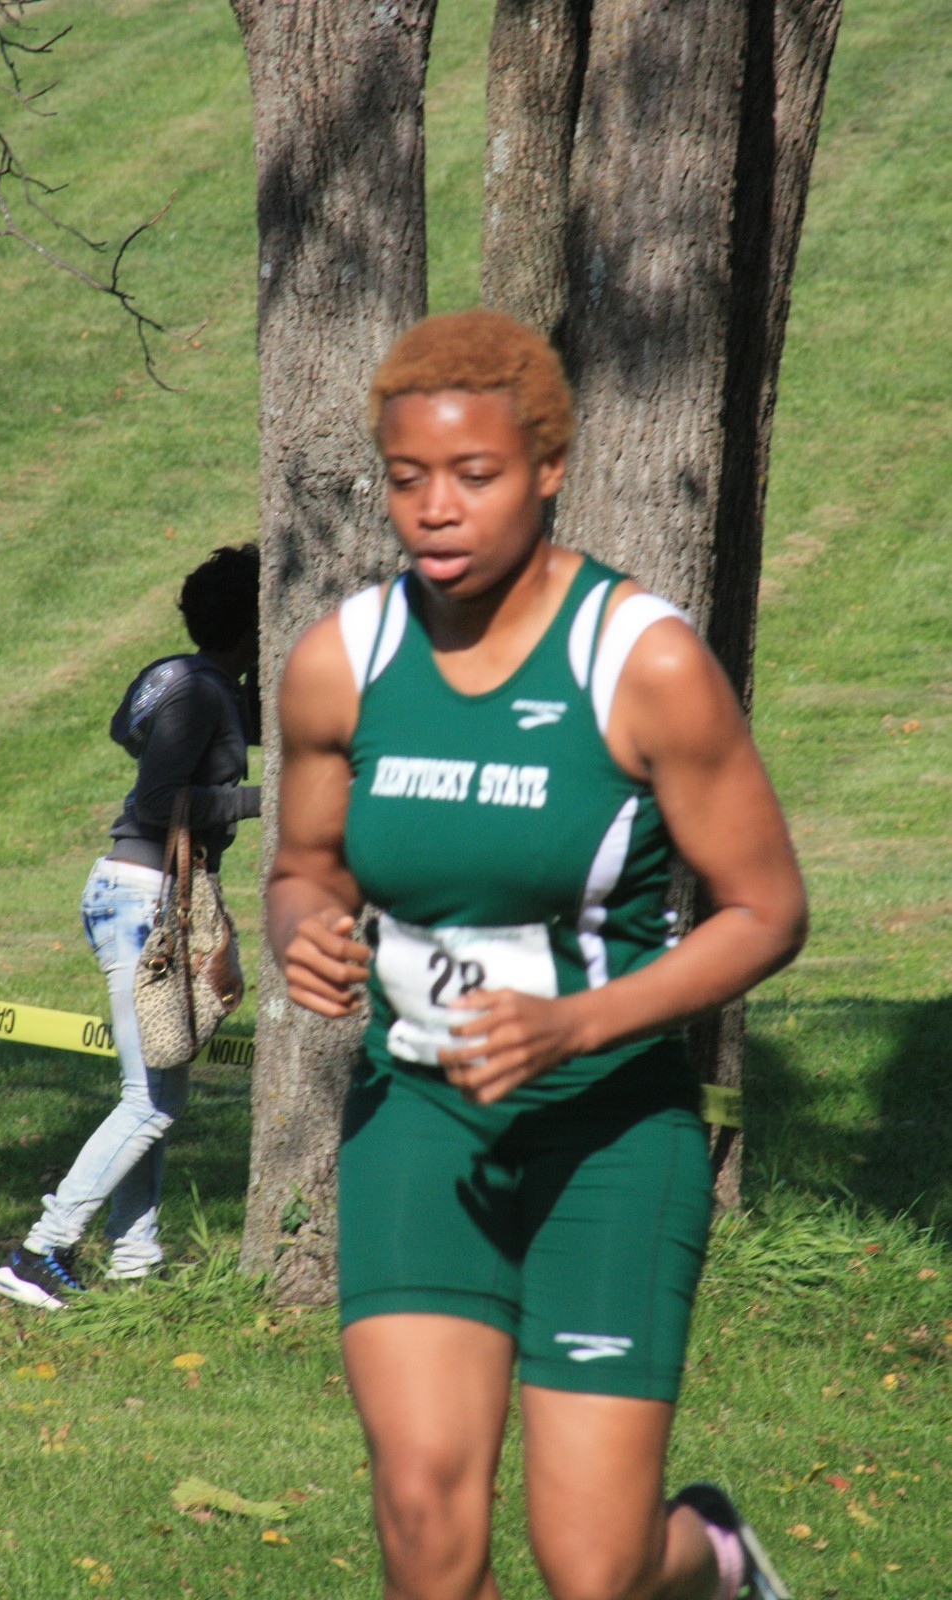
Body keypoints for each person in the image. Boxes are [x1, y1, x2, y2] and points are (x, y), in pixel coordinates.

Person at [268, 310, 808, 1600]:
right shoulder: (343, 660)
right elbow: (303, 867)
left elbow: (765, 910)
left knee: (594, 1566)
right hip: (418, 1120)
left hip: (607, 1130)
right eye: (407, 478)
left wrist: (574, 1023)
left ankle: (709, 1557)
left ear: (548, 467)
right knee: (422, 1517)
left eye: (474, 474)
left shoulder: (642, 661)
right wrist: (303, 935)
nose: (435, 508)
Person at [0, 545, 261, 1310]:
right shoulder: (202, 693)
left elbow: (126, 726)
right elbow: (156, 801)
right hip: (146, 899)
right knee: (152, 1101)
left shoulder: (176, 676)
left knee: (150, 1092)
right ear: (255, 626)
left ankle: (135, 1262)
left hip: (128, 893)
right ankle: (38, 1252)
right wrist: (262, 797)